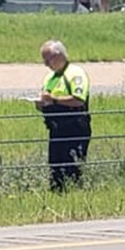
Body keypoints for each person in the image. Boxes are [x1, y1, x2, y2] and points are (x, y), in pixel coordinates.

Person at [35, 39, 92, 192]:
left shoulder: (75, 73)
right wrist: (40, 104)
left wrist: (54, 100)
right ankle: (57, 195)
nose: (46, 64)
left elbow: (78, 100)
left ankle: (75, 195)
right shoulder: (50, 77)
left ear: (58, 55)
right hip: (55, 129)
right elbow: (46, 99)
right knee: (55, 167)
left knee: (73, 167)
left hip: (74, 128)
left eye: (48, 60)